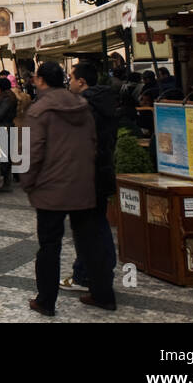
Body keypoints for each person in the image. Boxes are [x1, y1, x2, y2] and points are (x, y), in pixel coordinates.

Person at [21, 61, 114, 315]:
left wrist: (28, 183)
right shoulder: (82, 105)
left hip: (51, 189)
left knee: (49, 246)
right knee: (89, 242)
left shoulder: (39, 110)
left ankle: (46, 301)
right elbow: (93, 142)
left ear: (40, 81)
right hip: (83, 184)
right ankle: (103, 294)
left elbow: (32, 152)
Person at [63, 62, 118, 294]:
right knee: (98, 225)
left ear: (81, 82)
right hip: (102, 173)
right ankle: (101, 273)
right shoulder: (104, 103)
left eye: (71, 79)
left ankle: (86, 276)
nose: (69, 83)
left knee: (86, 229)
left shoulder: (86, 108)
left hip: (87, 176)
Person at [0, 76, 17, 192]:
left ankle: (4, 182)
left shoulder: (7, 98)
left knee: (4, 156)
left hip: (5, 128)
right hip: (7, 127)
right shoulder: (8, 96)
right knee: (5, 156)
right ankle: (5, 182)